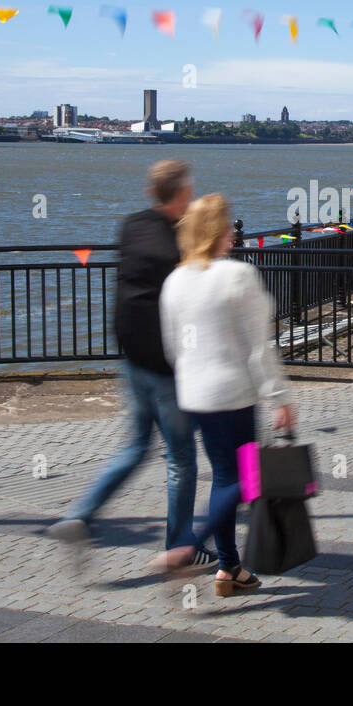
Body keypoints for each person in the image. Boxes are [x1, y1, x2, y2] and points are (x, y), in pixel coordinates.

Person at [48, 161, 214, 570]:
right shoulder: (176, 248)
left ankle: (80, 515)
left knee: (136, 446)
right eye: (189, 190)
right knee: (181, 459)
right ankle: (181, 545)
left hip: (132, 358)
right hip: (165, 367)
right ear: (181, 193)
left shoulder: (131, 226)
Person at [154, 193, 297, 593]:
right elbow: (260, 347)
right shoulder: (238, 276)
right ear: (219, 231)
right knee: (247, 479)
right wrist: (279, 397)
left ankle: (230, 568)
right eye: (229, 223)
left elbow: (172, 346)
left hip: (193, 393)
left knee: (223, 476)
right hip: (233, 394)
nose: (234, 229)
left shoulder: (176, 279)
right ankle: (187, 546)